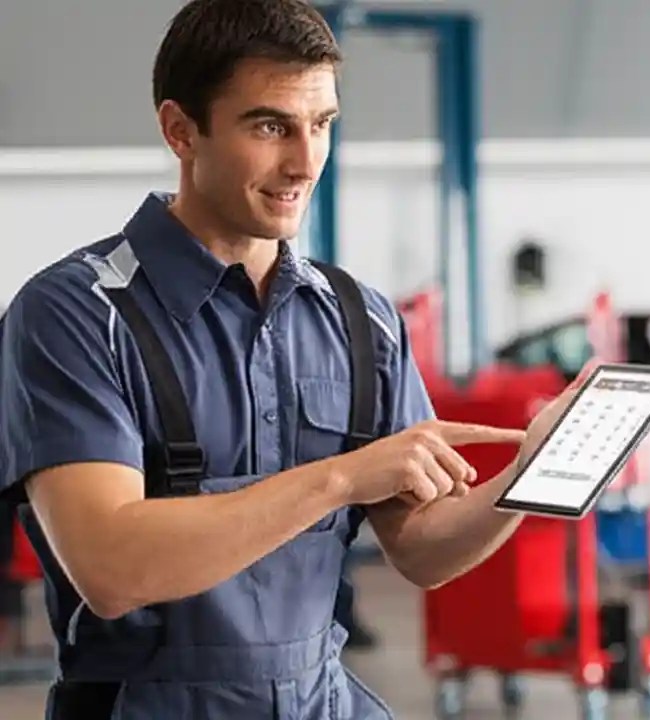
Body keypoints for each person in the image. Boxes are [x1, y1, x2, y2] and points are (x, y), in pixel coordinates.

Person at [0, 1, 578, 717]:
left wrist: (531, 475)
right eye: (270, 126)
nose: (305, 161)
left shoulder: (360, 319)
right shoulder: (77, 314)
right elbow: (113, 567)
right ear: (180, 130)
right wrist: (339, 479)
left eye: (322, 125)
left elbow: (422, 549)